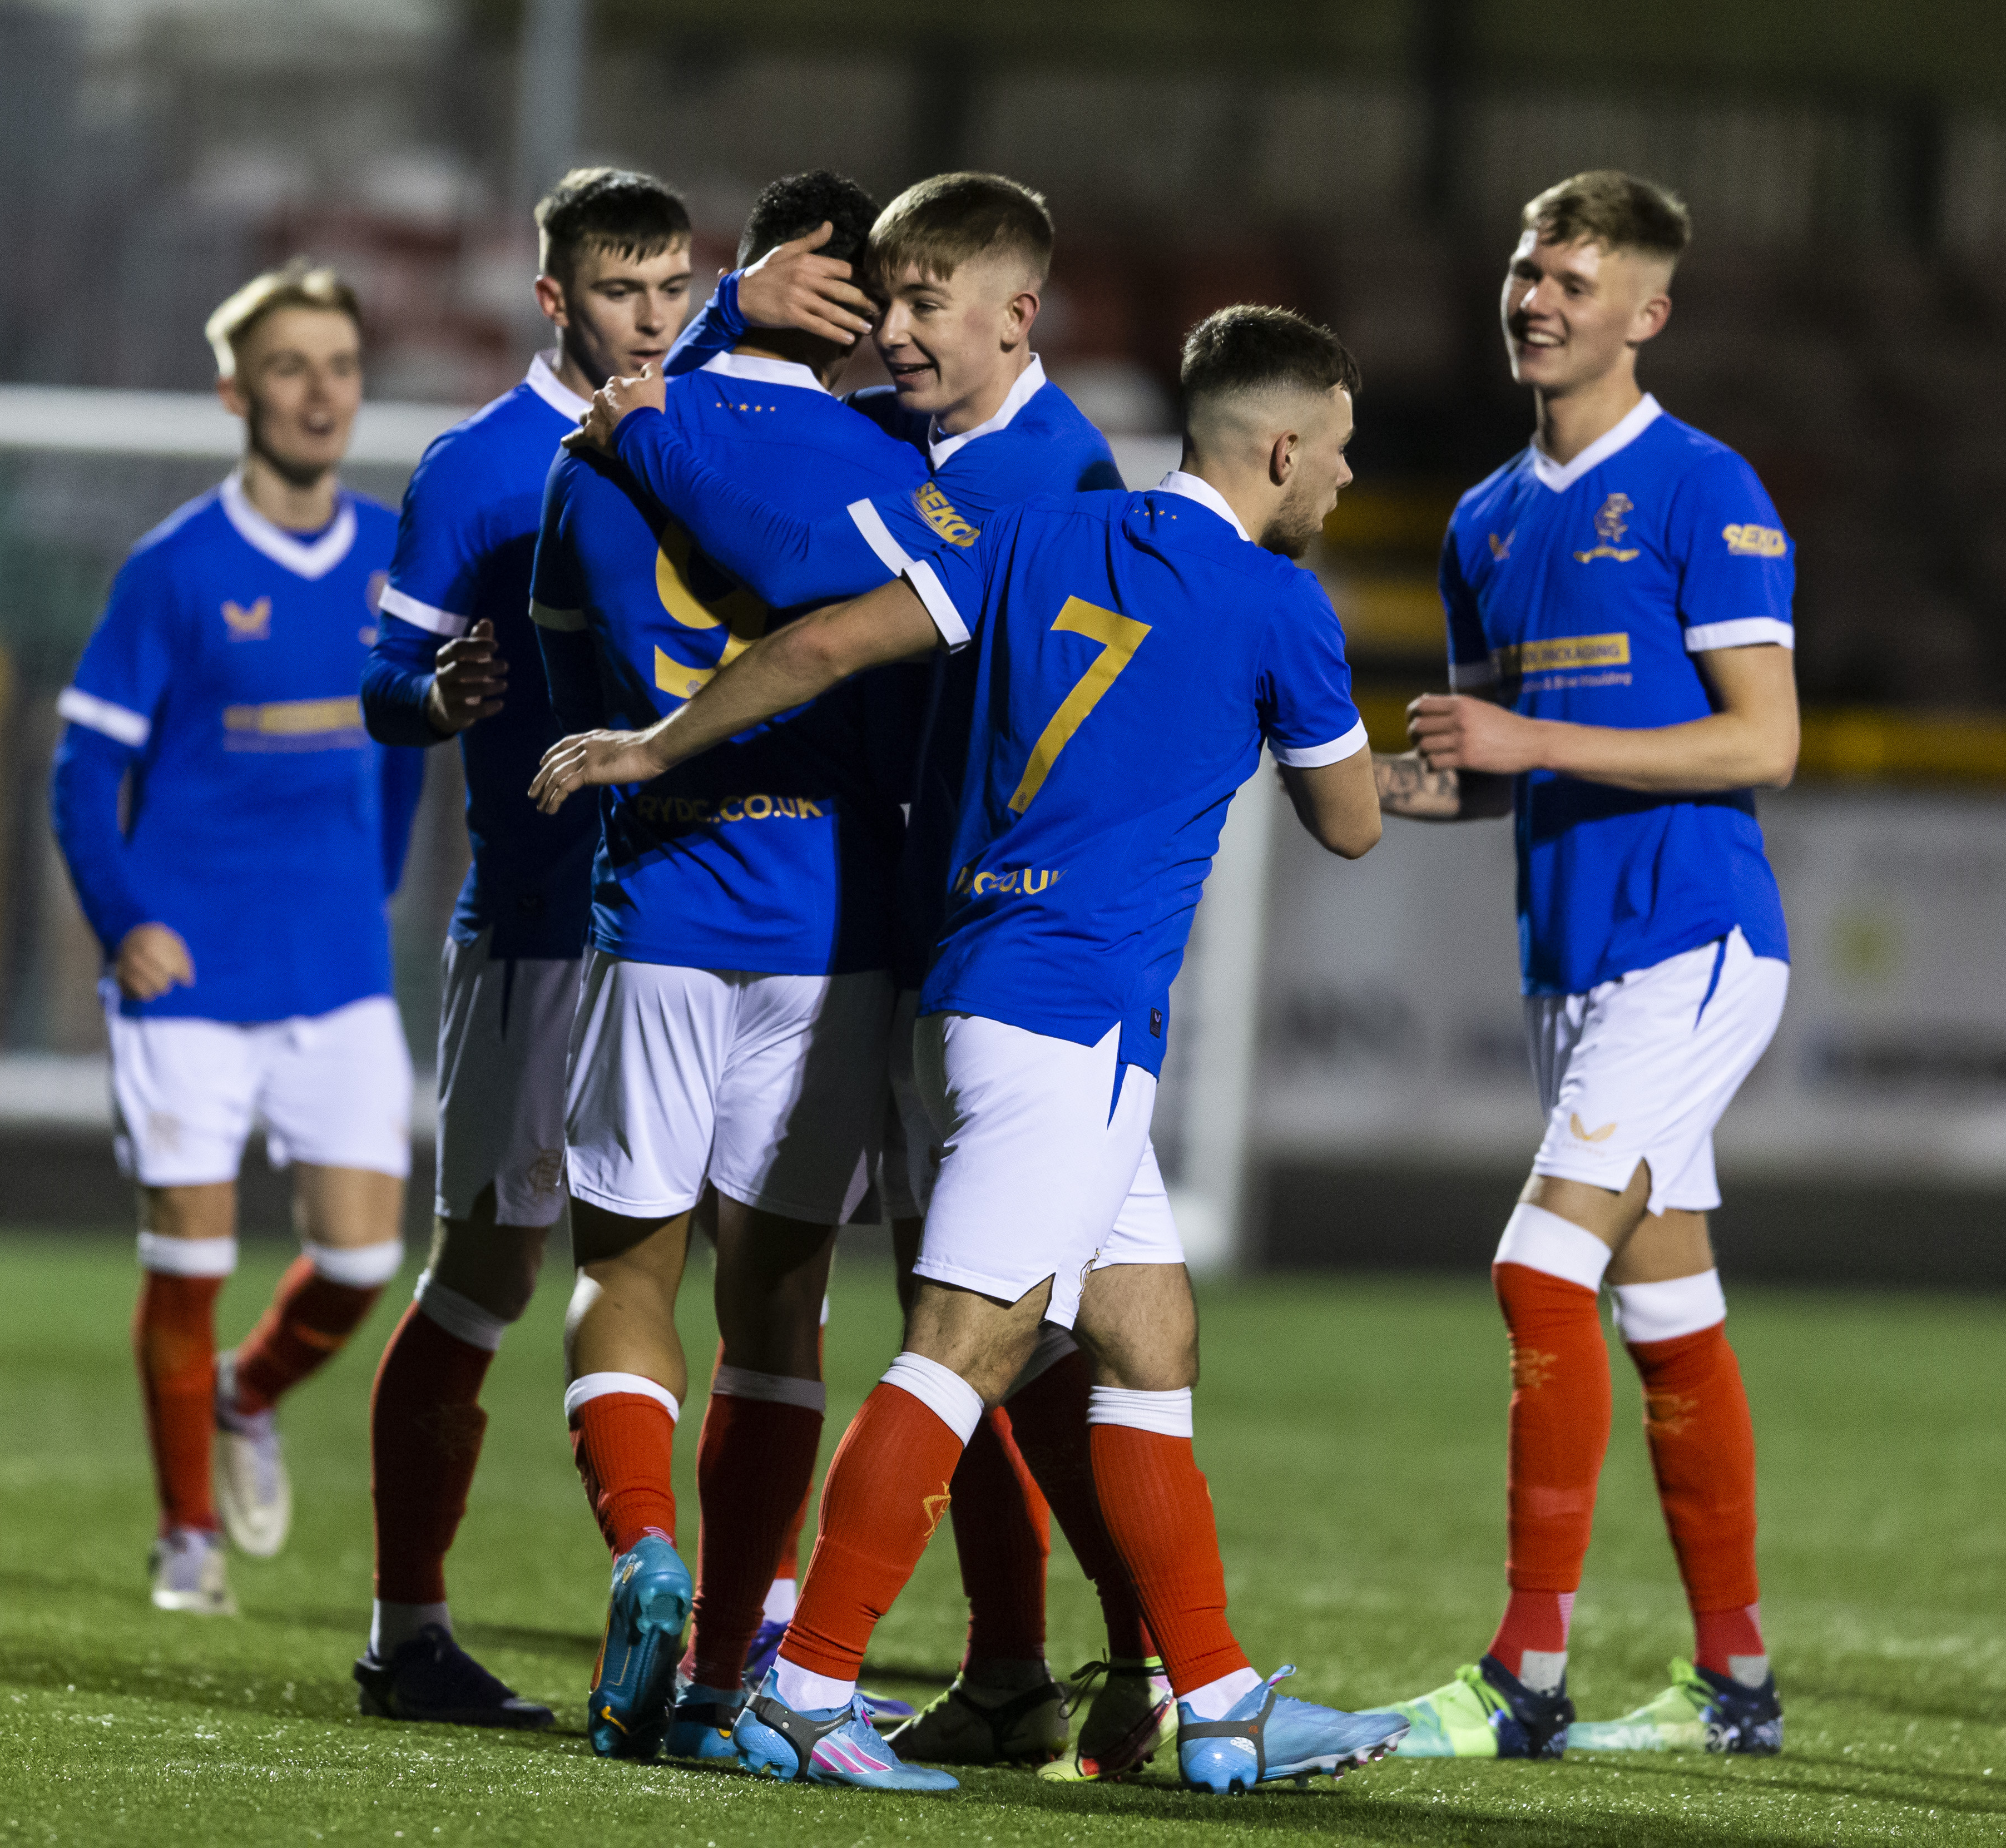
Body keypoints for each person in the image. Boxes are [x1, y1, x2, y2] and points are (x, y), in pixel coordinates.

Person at [533, 304, 1407, 1796]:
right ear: (1277, 448)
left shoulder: (1034, 538)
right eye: (1333, 453)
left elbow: (818, 643)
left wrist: (656, 742)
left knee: (1147, 1333)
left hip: (957, 992)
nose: (1340, 479)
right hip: (1068, 1021)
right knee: (965, 1351)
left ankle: (1222, 1701)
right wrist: (1448, 776)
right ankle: (805, 1686)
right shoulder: (1279, 606)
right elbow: (1350, 821)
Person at [581, 170, 1171, 1778]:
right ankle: (1010, 1667)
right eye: (883, 302)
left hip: (1029, 957)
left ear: (1013, 314)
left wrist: (651, 416)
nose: (895, 332)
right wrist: (721, 321)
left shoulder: (1040, 478)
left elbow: (809, 582)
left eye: (923, 304)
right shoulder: (937, 449)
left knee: (1067, 1329)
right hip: (943, 943)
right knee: (994, 1317)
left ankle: (1156, 1659)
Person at [1365, 170, 1797, 1759]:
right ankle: (1733, 1684)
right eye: (1524, 268)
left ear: (1646, 312)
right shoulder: (1483, 520)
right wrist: (1321, 772)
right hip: (1576, 960)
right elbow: (1480, 775)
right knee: (1665, 1307)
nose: (1536, 297)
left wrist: (1527, 735)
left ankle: (1522, 1677)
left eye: (1572, 277)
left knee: (1538, 1267)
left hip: (1695, 939)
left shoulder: (1704, 487)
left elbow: (1768, 736)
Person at [526, 170, 929, 1761]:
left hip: (667, 902)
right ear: (852, 307)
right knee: (780, 1308)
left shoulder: (593, 461)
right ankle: (715, 1679)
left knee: (625, 1271)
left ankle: (641, 1549)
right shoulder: (892, 466)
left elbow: (569, 673)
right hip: (832, 917)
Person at [348, 167, 695, 1730]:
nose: (653, 315)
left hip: (697, 933)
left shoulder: (709, 440)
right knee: (482, 1279)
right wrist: (443, 701)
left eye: (673, 285)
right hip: (542, 933)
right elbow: (381, 681)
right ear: (553, 298)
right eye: (622, 288)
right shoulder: (477, 468)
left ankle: (725, 1630)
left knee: (735, 1276)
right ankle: (406, 1630)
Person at [50, 261, 420, 1618]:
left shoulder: (394, 555)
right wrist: (128, 921)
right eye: (288, 367)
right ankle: (185, 1535)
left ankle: (243, 1393)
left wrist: (361, 899)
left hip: (334, 970)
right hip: (189, 971)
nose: (319, 391)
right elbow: (82, 776)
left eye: (338, 364)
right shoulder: (175, 570)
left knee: (365, 1258)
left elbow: (403, 755)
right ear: (235, 392)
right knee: (189, 1256)